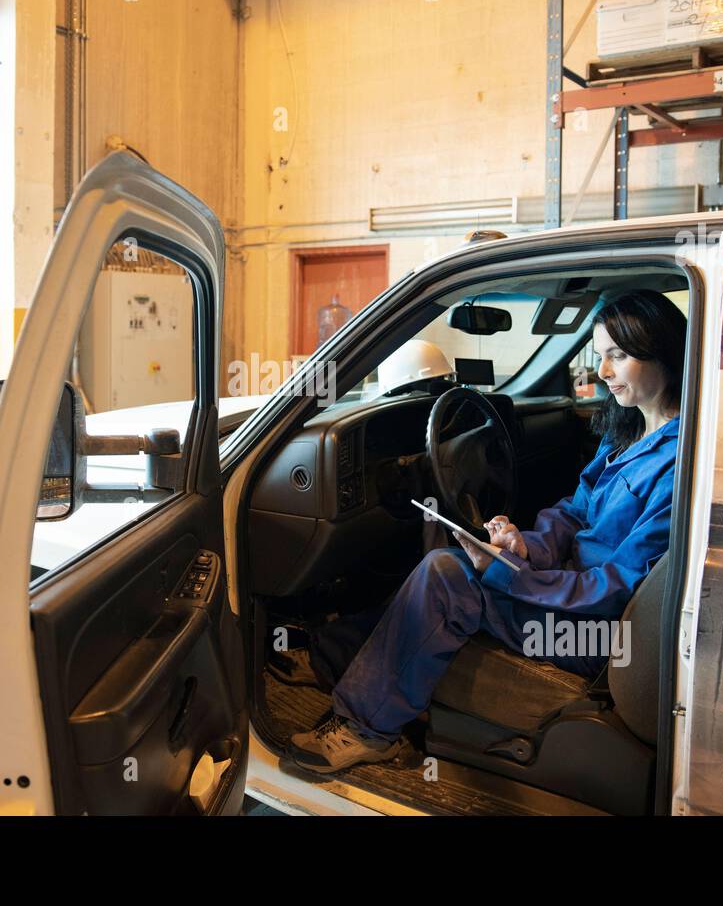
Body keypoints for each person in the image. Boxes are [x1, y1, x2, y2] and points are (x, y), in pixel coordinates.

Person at [284, 289, 687, 773]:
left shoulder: (676, 465)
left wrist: (511, 576)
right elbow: (575, 513)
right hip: (572, 592)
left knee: (446, 576)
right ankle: (329, 657)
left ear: (661, 351)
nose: (602, 373)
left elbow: (619, 592)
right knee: (447, 566)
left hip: (596, 632)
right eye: (600, 356)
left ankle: (366, 730)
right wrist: (522, 545)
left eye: (617, 357)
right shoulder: (627, 431)